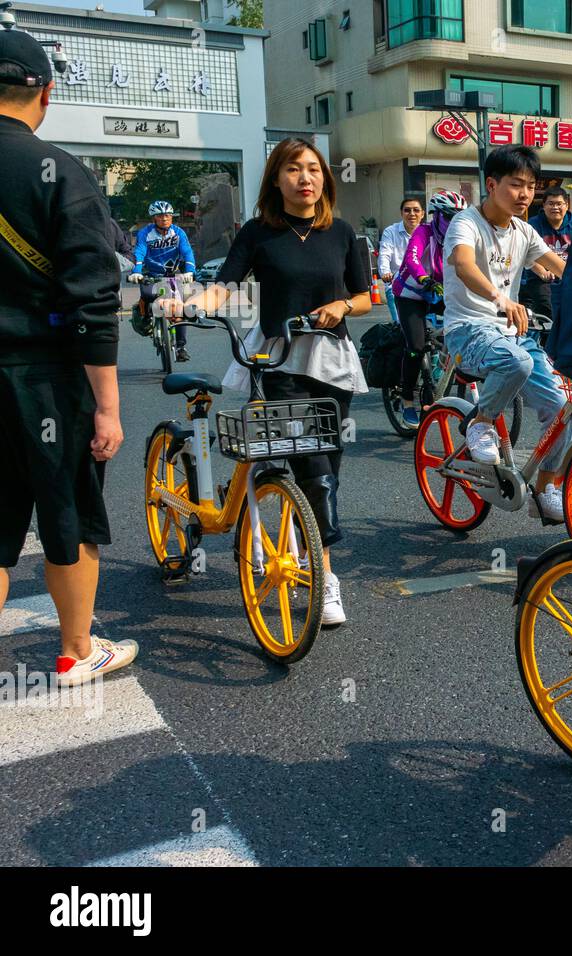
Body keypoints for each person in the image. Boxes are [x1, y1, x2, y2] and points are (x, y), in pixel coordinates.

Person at [173, 138, 371, 627]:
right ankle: (326, 577)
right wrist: (196, 304)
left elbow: (368, 296)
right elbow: (227, 283)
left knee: (327, 465)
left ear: (325, 178)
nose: (305, 178)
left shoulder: (342, 232)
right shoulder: (259, 233)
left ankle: (306, 545)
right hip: (278, 360)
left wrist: (342, 306)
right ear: (276, 179)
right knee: (312, 463)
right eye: (293, 169)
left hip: (332, 361)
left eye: (313, 170)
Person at [0, 26, 133, 686]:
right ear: (45, 93)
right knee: (67, 518)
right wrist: (108, 407)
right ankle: (77, 651)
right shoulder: (61, 172)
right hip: (49, 379)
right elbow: (92, 299)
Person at [441, 144, 571, 523]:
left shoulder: (524, 231)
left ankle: (546, 489)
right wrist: (501, 298)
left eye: (531, 186)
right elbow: (464, 266)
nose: (526, 194)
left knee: (562, 408)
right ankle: (480, 423)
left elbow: (563, 269)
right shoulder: (465, 223)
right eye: (517, 185)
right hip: (467, 330)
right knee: (516, 361)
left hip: (510, 332)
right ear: (492, 183)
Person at [391, 188, 467, 425]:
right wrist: (424, 278)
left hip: (439, 292)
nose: (454, 222)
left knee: (467, 327)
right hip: (411, 294)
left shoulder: (460, 237)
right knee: (415, 346)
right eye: (449, 216)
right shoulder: (424, 232)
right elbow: (412, 259)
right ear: (437, 215)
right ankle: (407, 400)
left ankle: (439, 376)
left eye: (459, 217)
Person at [128, 200, 196, 361]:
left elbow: (187, 252)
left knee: (179, 310)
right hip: (151, 274)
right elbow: (139, 252)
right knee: (147, 295)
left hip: (172, 275)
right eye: (160, 216)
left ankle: (180, 347)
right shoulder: (145, 233)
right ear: (154, 218)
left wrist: (190, 271)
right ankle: (145, 317)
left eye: (167, 215)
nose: (164, 218)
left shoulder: (179, 232)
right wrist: (136, 272)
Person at [518, 185, 572, 323]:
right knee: (548, 308)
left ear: (566, 205)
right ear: (544, 206)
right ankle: (548, 340)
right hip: (539, 279)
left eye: (559, 204)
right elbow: (526, 254)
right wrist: (542, 271)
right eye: (550, 204)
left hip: (569, 277)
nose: (555, 207)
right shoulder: (532, 225)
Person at [378, 196, 424, 326]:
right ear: (401, 213)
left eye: (416, 210)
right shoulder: (391, 232)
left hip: (422, 284)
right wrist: (385, 272)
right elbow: (384, 255)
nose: (412, 214)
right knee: (402, 326)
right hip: (398, 283)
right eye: (407, 210)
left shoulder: (427, 232)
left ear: (422, 214)